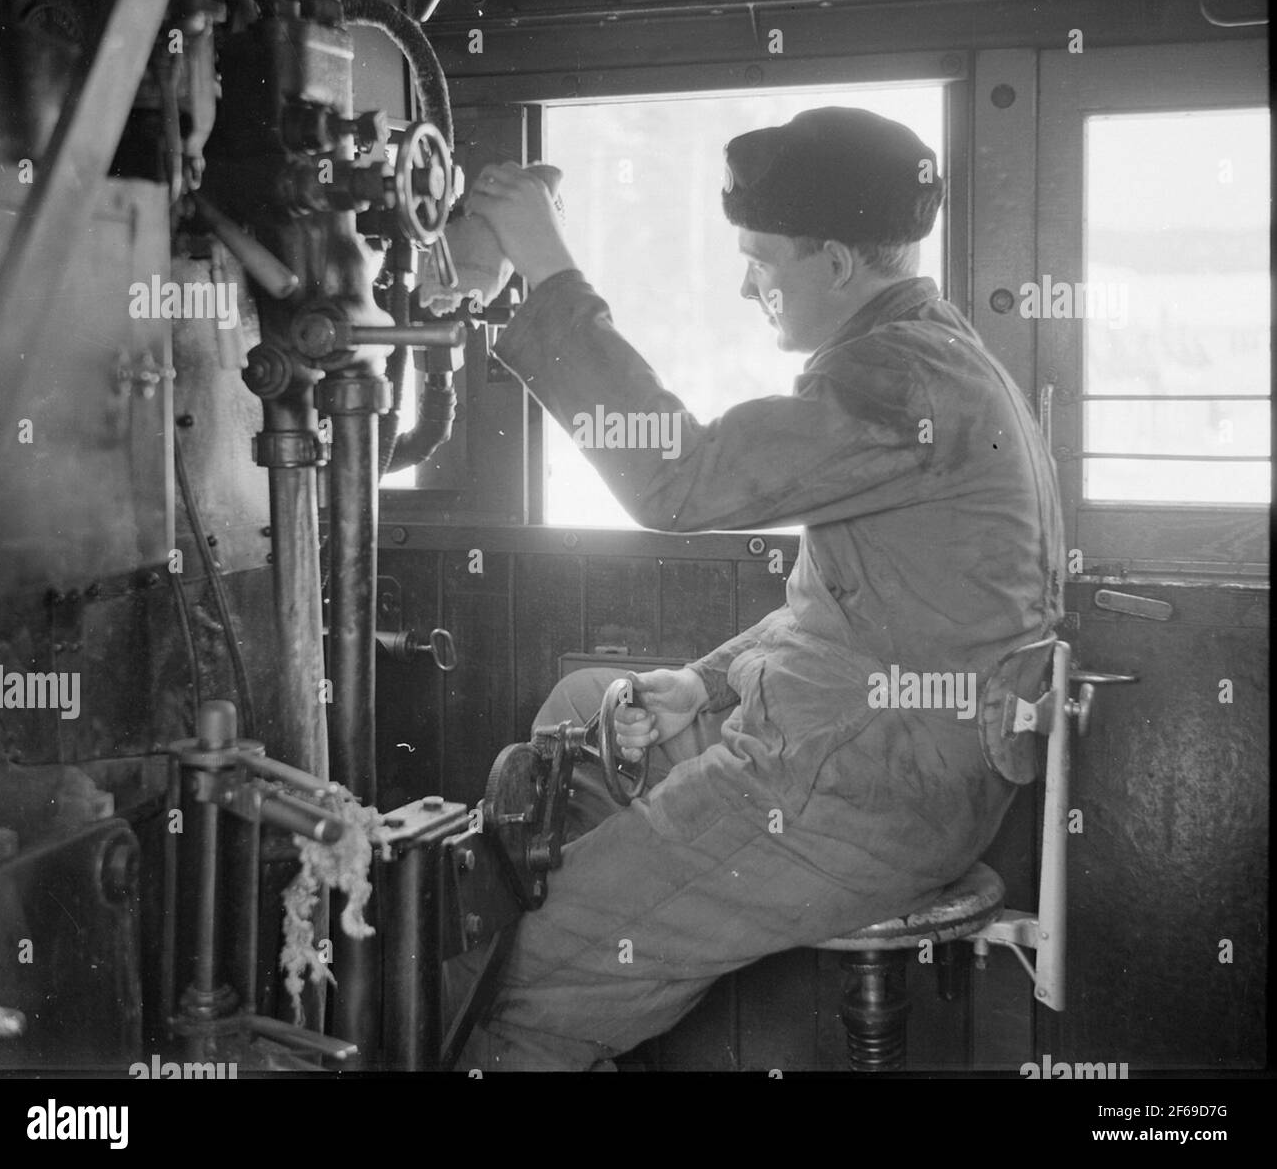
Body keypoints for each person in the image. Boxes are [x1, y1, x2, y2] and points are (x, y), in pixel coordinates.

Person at [451, 107, 1065, 1070]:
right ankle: (619, 926)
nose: (746, 284)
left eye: (763, 259)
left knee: (511, 967)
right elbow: (843, 612)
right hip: (883, 746)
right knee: (581, 709)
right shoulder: (923, 352)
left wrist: (547, 266)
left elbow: (676, 478)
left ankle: (565, 990)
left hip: (856, 792)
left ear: (833, 263)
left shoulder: (895, 385)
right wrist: (706, 682)